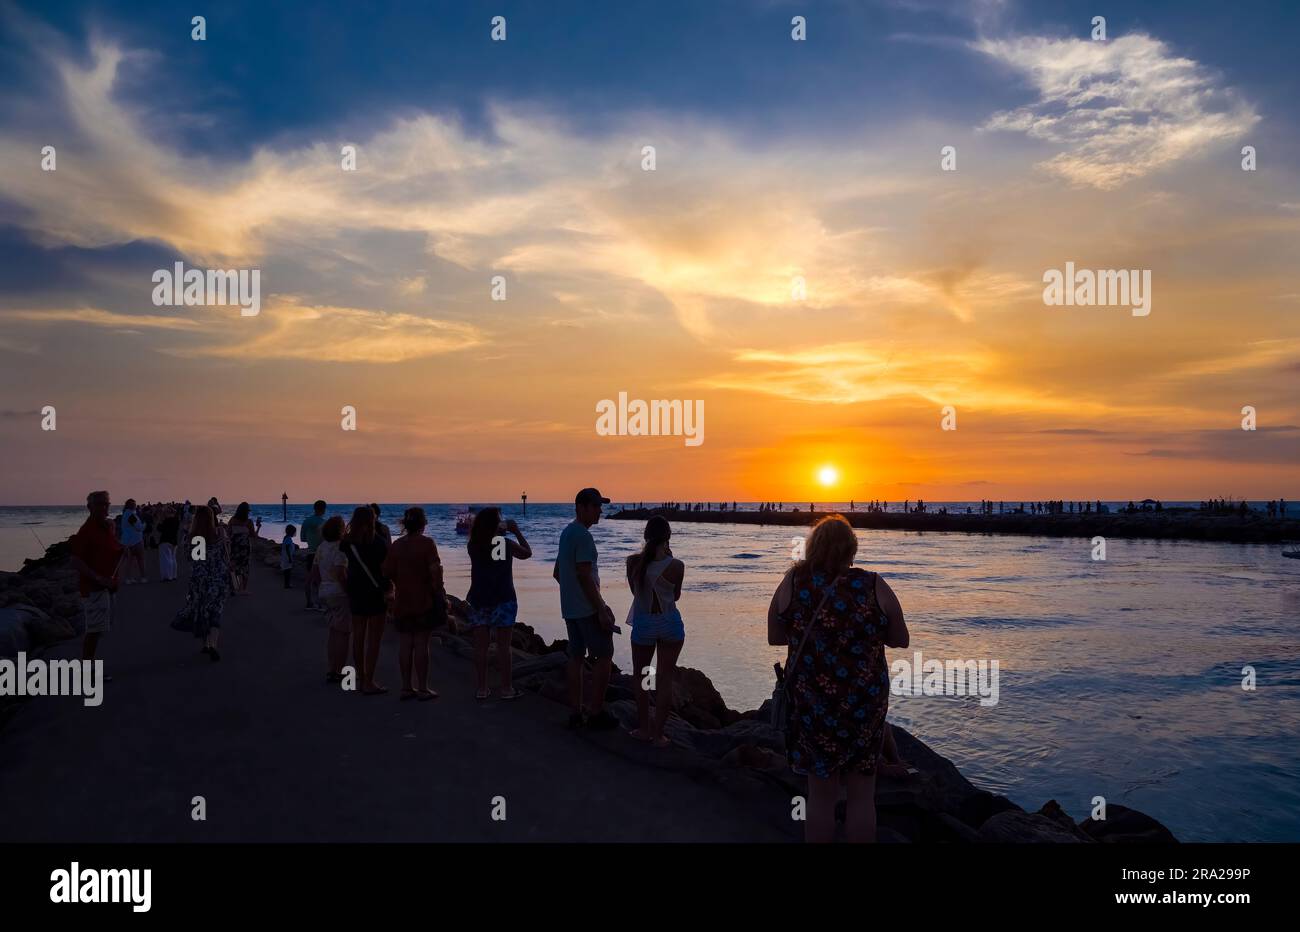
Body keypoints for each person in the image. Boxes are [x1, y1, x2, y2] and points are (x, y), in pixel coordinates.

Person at [767, 514, 909, 843]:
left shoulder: (793, 582)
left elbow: (775, 636)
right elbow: (900, 639)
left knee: (820, 795)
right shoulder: (873, 584)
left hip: (812, 701)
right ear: (851, 550)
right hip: (863, 700)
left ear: (813, 547)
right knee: (862, 794)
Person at [553, 487, 617, 730]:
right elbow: (584, 575)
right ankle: (596, 711)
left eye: (600, 506)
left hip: (570, 608)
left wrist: (571, 594)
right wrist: (600, 607)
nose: (600, 510)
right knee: (604, 656)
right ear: (582, 507)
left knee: (576, 658)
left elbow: (558, 572)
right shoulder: (583, 536)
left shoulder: (567, 533)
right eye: (596, 506)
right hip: (586, 609)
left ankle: (576, 711)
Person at [624, 516, 685, 747]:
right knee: (665, 679)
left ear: (645, 536)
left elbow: (636, 593)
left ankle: (644, 729)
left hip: (645, 623)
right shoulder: (677, 565)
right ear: (668, 537)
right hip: (669, 623)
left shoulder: (633, 563)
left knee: (643, 677)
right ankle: (659, 735)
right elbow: (676, 596)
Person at [467, 507, 532, 700]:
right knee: (504, 646)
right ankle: (506, 688)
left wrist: (499, 530)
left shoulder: (473, 544)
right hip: (503, 599)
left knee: (481, 647)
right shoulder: (502, 543)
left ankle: (482, 688)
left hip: (479, 598)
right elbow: (526, 553)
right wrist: (516, 530)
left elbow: (491, 555)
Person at [381, 507, 444, 701]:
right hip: (423, 600)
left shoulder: (397, 545)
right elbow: (435, 572)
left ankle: (406, 687)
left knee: (406, 644)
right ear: (423, 524)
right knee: (421, 644)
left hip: (402, 600)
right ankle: (423, 688)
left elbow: (386, 572)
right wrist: (439, 593)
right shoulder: (427, 544)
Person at [67, 490, 123, 666]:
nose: (104, 507)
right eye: (99, 504)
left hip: (107, 588)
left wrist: (121, 546)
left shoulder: (105, 528)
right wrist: (99, 579)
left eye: (106, 503)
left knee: (100, 630)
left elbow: (111, 550)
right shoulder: (87, 530)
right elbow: (75, 561)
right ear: (89, 507)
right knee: (93, 632)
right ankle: (87, 669)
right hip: (94, 590)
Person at [343, 506, 390, 695]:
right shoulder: (378, 542)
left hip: (355, 590)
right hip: (375, 591)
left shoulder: (346, 542)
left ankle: (361, 678)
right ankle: (369, 681)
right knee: (374, 640)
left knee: (358, 637)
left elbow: (344, 566)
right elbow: (385, 570)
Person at [181, 505, 231, 661]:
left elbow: (194, 559)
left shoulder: (194, 537)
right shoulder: (219, 532)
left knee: (202, 610)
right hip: (218, 577)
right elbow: (225, 553)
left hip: (200, 579)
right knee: (216, 610)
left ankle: (205, 644)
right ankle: (213, 644)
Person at [314, 517, 350, 683]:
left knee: (333, 632)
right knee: (343, 633)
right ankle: (340, 671)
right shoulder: (340, 548)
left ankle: (331, 668)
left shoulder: (321, 547)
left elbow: (315, 572)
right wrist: (349, 591)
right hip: (339, 593)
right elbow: (341, 573)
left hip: (325, 591)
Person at [300, 500, 328, 611]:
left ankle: (309, 603)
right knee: (320, 580)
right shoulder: (324, 523)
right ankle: (321, 604)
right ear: (324, 509)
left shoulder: (306, 521)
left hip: (310, 553)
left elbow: (303, 538)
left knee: (309, 579)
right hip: (321, 554)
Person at [228, 502, 256, 594]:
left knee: (234, 566)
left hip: (234, 546)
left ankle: (233, 587)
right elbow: (253, 535)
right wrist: (259, 527)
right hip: (245, 547)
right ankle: (243, 589)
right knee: (245, 567)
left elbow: (228, 533)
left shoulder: (232, 520)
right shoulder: (249, 522)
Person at [118, 498, 147, 583]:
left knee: (129, 562)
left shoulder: (125, 514)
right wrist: (145, 524)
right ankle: (143, 577)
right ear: (132, 506)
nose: (135, 506)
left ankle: (128, 578)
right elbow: (139, 527)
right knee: (140, 560)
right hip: (136, 540)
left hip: (126, 541)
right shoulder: (131, 515)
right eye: (134, 504)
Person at [157, 507, 179, 582]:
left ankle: (167, 576)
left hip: (165, 540)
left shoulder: (166, 521)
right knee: (173, 558)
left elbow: (159, 528)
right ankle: (173, 575)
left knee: (165, 559)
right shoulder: (176, 520)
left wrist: (160, 521)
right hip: (174, 540)